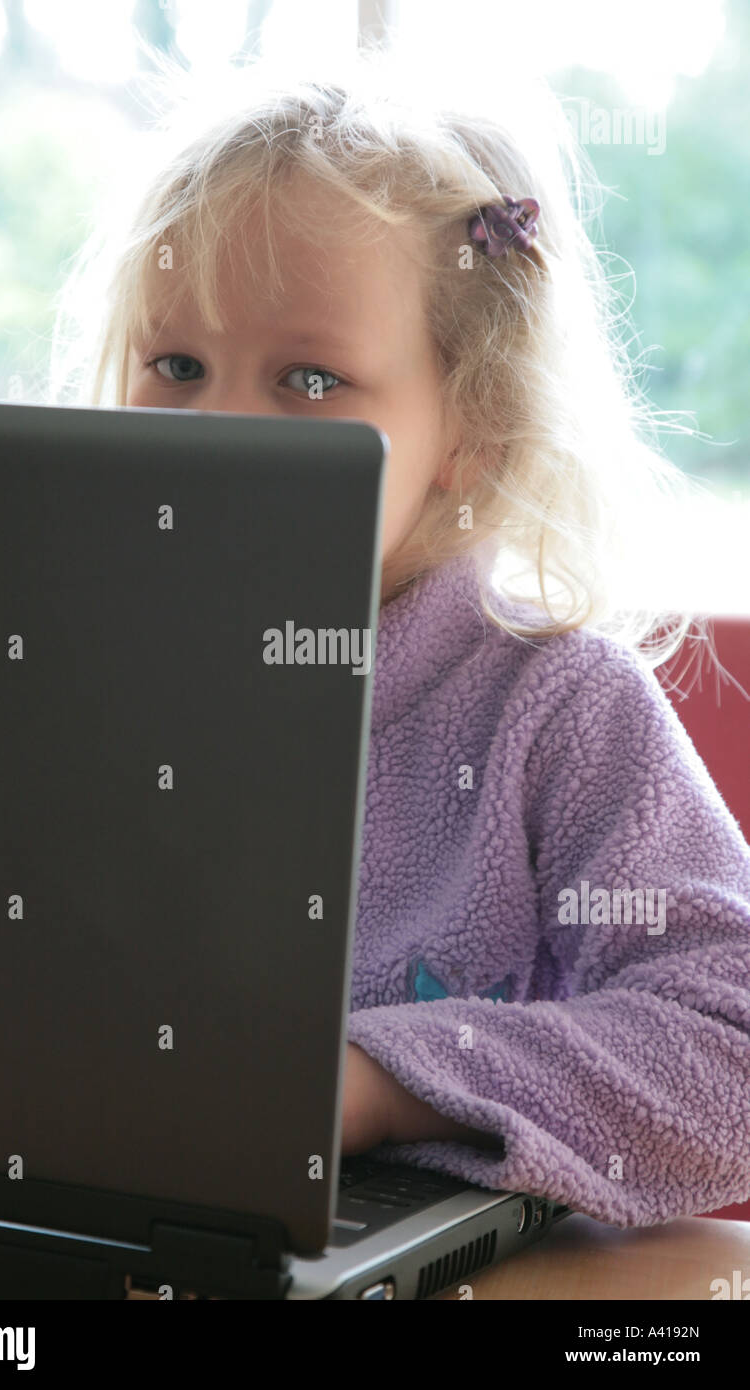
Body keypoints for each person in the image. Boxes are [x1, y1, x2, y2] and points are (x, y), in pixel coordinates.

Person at [51, 54, 750, 1226]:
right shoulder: (63, 675)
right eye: (175, 365)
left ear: (466, 436)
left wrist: (371, 1087)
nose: (219, 433)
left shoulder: (553, 706)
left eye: (309, 378)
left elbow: (725, 1052)